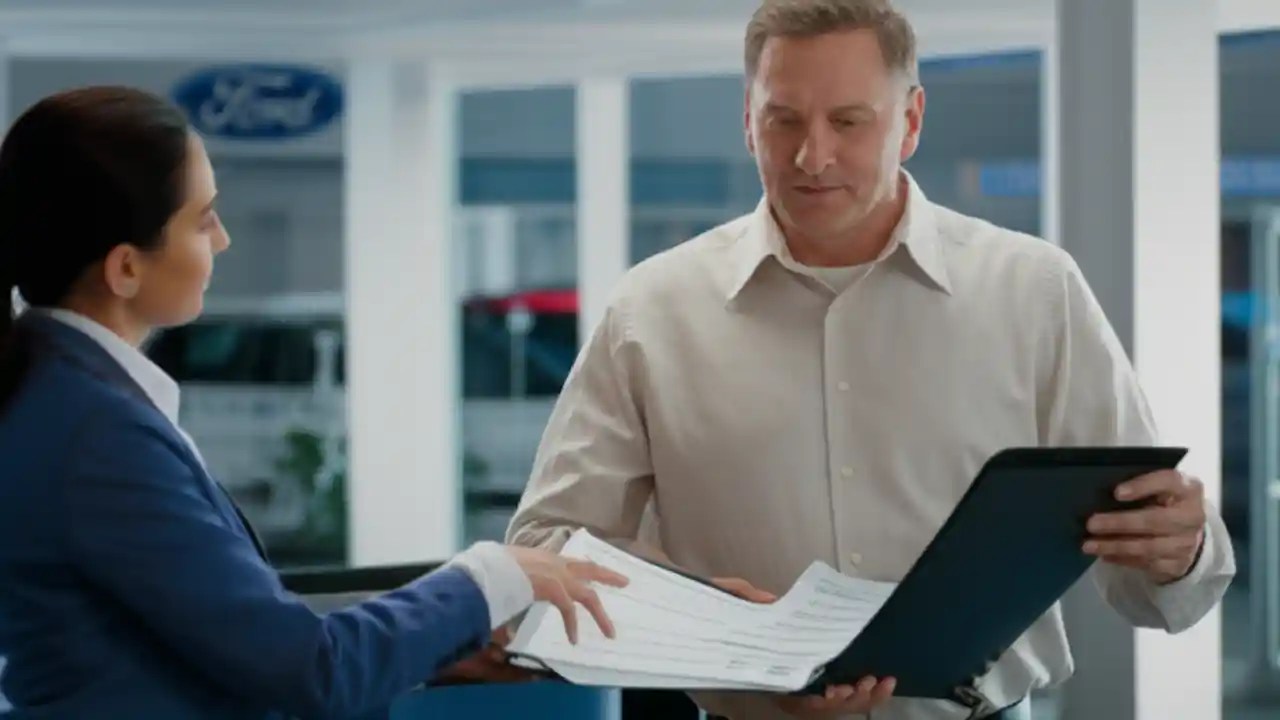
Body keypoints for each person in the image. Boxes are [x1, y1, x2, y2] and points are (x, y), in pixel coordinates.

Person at [505, 0, 1236, 718]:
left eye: (848, 122)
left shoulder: (1036, 291)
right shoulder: (651, 309)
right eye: (783, 120)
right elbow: (545, 547)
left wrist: (1183, 547)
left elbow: (1150, 574)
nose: (812, 156)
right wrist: (699, 618)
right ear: (747, 121)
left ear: (911, 121)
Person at [0, 86, 628, 720]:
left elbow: (224, 631)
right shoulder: (97, 436)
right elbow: (308, 670)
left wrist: (433, 645)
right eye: (202, 218)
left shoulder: (63, 398)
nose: (222, 239)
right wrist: (490, 577)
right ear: (126, 269)